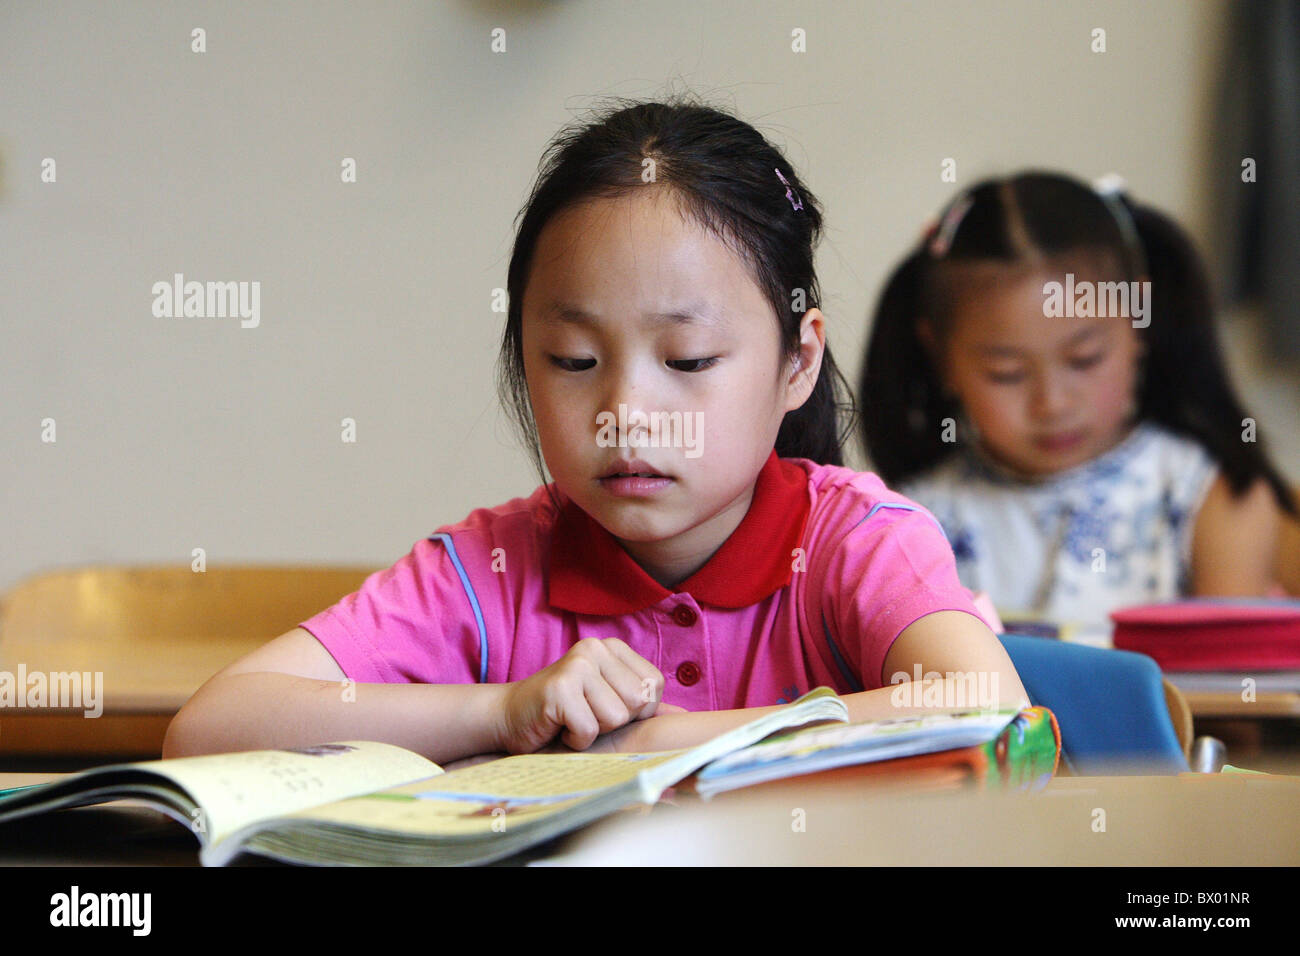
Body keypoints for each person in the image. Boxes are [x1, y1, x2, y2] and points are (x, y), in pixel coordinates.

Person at [164, 97, 1027, 765]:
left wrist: (674, 743)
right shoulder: (491, 572)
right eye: (574, 360)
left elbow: (982, 698)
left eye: (687, 361)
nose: (624, 412)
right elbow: (210, 727)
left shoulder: (852, 543)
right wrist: (500, 710)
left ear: (797, 364)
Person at [859, 171, 1298, 632]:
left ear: (1138, 320)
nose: (1052, 403)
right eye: (1006, 373)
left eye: (1084, 359)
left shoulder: (1212, 498)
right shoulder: (912, 523)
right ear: (940, 356)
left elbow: (1230, 695)